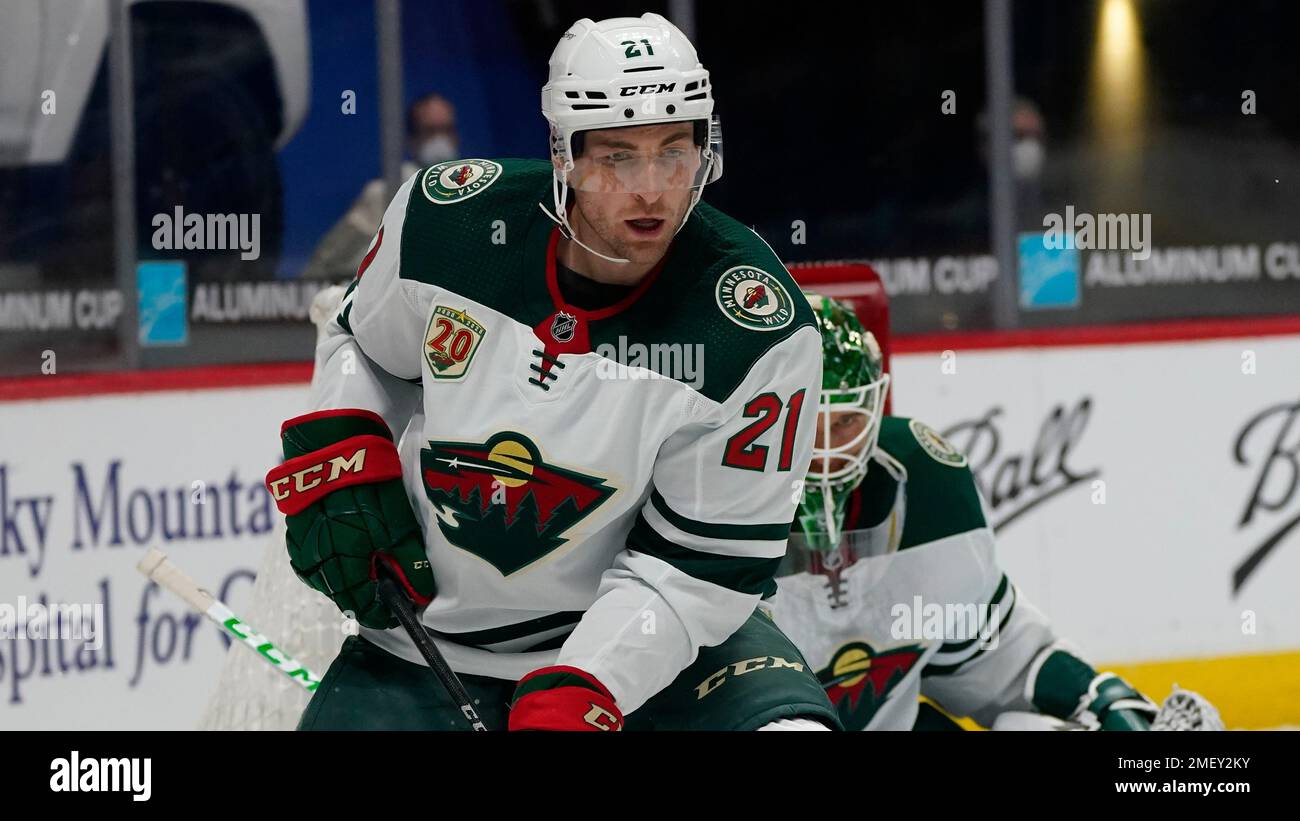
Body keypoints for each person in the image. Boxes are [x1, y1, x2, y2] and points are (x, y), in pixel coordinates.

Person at [265, 13, 838, 731]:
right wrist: (345, 432)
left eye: (674, 150)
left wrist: (585, 681)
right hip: (426, 643)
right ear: (563, 152)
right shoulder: (450, 226)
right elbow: (363, 342)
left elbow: (700, 572)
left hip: (666, 654)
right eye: (618, 157)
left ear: (706, 147)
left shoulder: (752, 324)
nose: (652, 189)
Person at [769, 293, 1219, 731]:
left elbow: (992, 656)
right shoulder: (705, 509)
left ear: (874, 408)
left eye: (845, 420)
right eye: (806, 418)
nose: (827, 450)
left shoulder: (926, 490)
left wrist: (1102, 701)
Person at [300, 94, 462, 280]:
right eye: (430, 131)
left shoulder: (474, 187)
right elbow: (327, 261)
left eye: (447, 130)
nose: (440, 140)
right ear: (411, 138)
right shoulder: (387, 192)